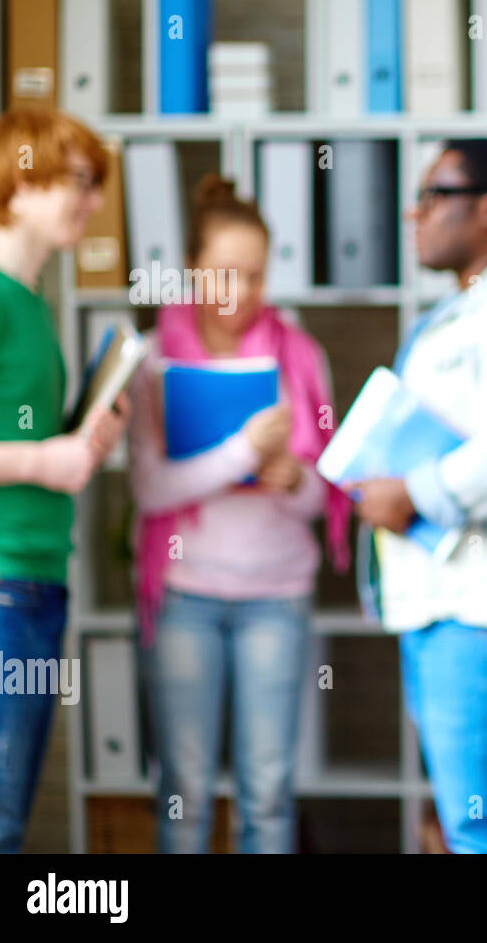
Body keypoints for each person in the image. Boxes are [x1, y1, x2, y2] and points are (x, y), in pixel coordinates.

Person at [347, 139, 487, 853]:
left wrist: (410, 492)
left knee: (485, 824)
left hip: (483, 611)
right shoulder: (468, 307)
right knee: (467, 820)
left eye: (435, 194)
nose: (415, 212)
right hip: (444, 605)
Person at [127, 174, 349, 853]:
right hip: (187, 596)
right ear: (192, 269)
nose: (242, 294)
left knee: (269, 795)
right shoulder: (153, 360)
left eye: (254, 276)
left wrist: (291, 479)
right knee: (185, 794)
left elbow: (327, 490)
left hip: (276, 597)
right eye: (225, 276)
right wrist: (240, 453)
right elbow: (150, 490)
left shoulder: (300, 356)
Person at [0, 108, 131, 852]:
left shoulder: (28, 305)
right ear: (18, 181)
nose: (93, 201)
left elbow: (19, 436)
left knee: (3, 819)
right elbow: (27, 456)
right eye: (81, 180)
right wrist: (48, 461)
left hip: (27, 585)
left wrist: (80, 439)